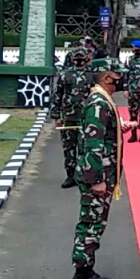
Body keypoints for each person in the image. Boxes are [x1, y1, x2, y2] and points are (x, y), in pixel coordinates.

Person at [71, 57, 138, 279]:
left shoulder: (102, 98)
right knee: (91, 223)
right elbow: (93, 143)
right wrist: (96, 179)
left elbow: (102, 132)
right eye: (116, 76)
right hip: (97, 174)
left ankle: (86, 270)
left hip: (104, 171)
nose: (119, 81)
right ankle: (82, 274)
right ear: (107, 77)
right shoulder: (99, 102)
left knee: (96, 223)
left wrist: (119, 127)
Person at [53, 48, 92, 188]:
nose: (79, 60)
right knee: (69, 148)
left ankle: (83, 175)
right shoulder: (65, 75)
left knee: (85, 148)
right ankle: (70, 176)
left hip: (86, 117)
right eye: (76, 58)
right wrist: (56, 115)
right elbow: (57, 95)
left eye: (81, 57)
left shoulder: (91, 75)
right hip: (68, 117)